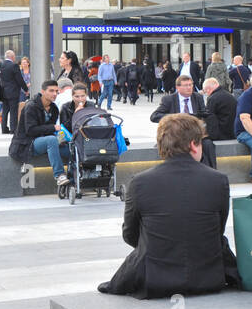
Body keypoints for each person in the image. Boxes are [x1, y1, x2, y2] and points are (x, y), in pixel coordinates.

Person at [99, 113, 241, 299]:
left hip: (155, 279)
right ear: (193, 144)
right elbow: (217, 229)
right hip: (207, 278)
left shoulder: (140, 182)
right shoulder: (218, 180)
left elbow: (130, 234)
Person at [8, 81, 69, 186]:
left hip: (44, 141)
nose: (54, 94)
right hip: (27, 143)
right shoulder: (31, 106)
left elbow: (52, 130)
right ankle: (59, 175)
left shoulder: (54, 108)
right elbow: (30, 130)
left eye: (56, 91)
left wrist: (62, 139)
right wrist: (52, 128)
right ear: (43, 91)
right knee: (51, 140)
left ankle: (77, 175)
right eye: (51, 91)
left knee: (70, 148)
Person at [151, 74, 217, 167]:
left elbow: (204, 113)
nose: (189, 88)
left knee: (208, 145)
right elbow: (154, 116)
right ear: (178, 87)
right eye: (186, 85)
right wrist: (178, 117)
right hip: (176, 135)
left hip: (195, 134)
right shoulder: (169, 99)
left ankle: (211, 173)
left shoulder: (197, 97)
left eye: (191, 85)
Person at [201, 78, 237, 142]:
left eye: (205, 91)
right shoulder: (230, 95)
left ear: (208, 89)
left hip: (220, 134)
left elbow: (209, 117)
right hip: (233, 131)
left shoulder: (212, 99)